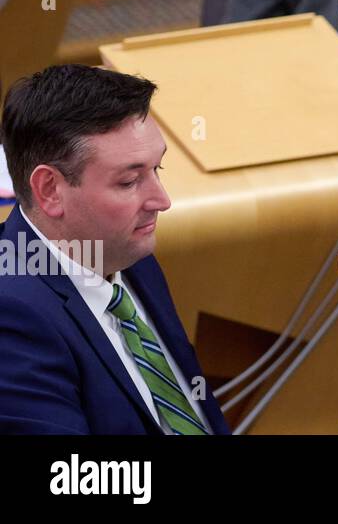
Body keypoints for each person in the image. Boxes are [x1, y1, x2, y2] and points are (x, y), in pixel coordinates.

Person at [0, 65, 231, 434]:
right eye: (128, 181)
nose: (162, 200)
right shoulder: (11, 317)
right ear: (50, 190)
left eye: (158, 168)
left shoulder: (128, 256)